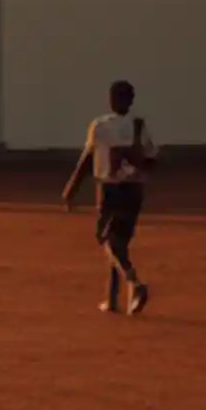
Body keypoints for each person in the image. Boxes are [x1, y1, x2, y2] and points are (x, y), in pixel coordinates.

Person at [61, 80, 159, 316]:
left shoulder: (100, 126)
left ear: (111, 99)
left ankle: (134, 282)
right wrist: (138, 171)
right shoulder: (139, 125)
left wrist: (71, 188)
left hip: (110, 189)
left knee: (106, 238)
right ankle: (113, 298)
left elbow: (88, 158)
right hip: (133, 190)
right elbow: (152, 158)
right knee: (119, 242)